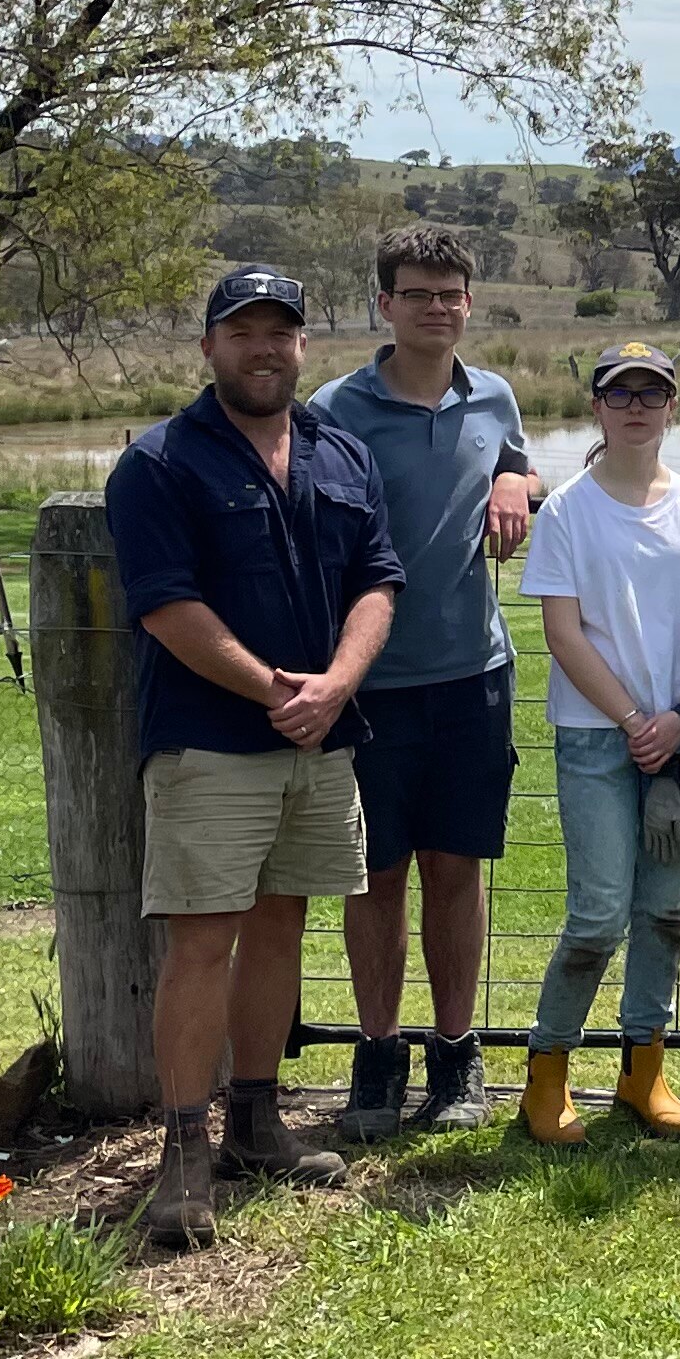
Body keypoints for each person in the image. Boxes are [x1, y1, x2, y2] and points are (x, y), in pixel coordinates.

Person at [106, 266, 403, 1251]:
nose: (263, 349)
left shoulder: (342, 453)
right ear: (209, 347)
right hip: (212, 743)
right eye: (243, 332)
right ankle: (183, 1153)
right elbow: (166, 605)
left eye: (281, 332)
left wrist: (338, 684)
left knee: (282, 928)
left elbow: (378, 581)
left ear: (304, 345)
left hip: (322, 739)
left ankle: (255, 1124)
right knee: (202, 942)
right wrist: (280, 690)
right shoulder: (159, 464)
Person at [306, 225, 544, 1142]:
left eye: (450, 294)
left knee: (456, 867)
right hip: (369, 682)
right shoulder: (337, 408)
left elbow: (512, 464)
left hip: (472, 675)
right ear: (385, 304)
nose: (436, 308)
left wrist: (519, 476)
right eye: (417, 294)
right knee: (374, 873)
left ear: (469, 304)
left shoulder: (495, 398)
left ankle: (455, 1053)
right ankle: (377, 1055)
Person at [514, 340, 680, 1147]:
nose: (637, 406)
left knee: (664, 911)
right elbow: (562, 634)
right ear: (596, 407)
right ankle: (548, 1072)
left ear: (674, 407)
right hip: (599, 739)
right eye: (621, 393)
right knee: (599, 913)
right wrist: (638, 722)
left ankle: (644, 1072)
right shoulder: (568, 510)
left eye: (652, 392)